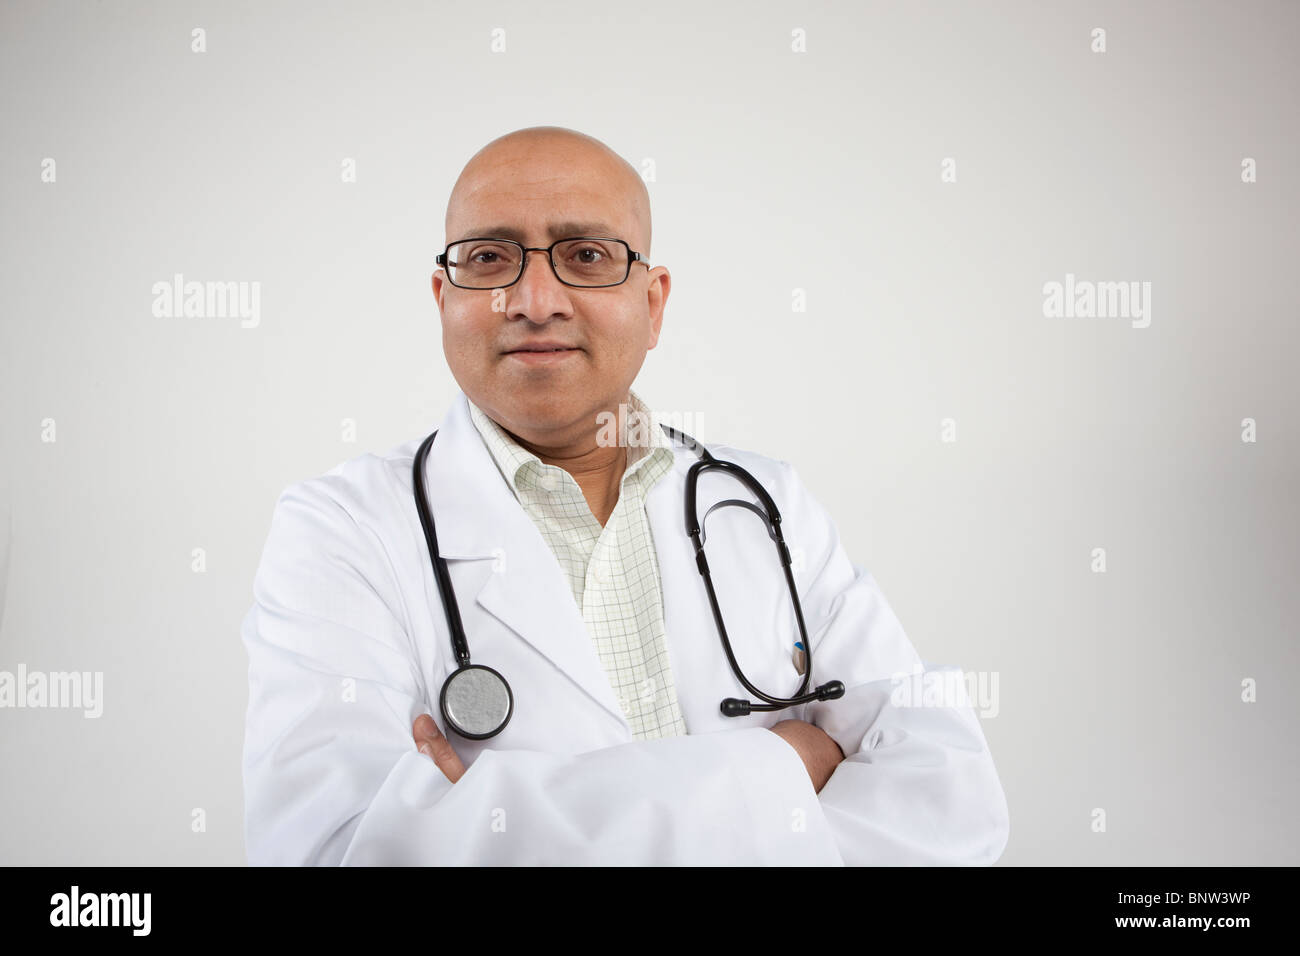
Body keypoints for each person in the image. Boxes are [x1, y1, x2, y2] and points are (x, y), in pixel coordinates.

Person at [240, 126, 1010, 866]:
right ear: (443, 297)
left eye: (585, 255)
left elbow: (951, 802)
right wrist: (782, 767)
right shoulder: (339, 531)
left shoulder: (766, 504)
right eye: (489, 256)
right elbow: (337, 849)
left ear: (653, 303)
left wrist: (488, 820)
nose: (535, 298)